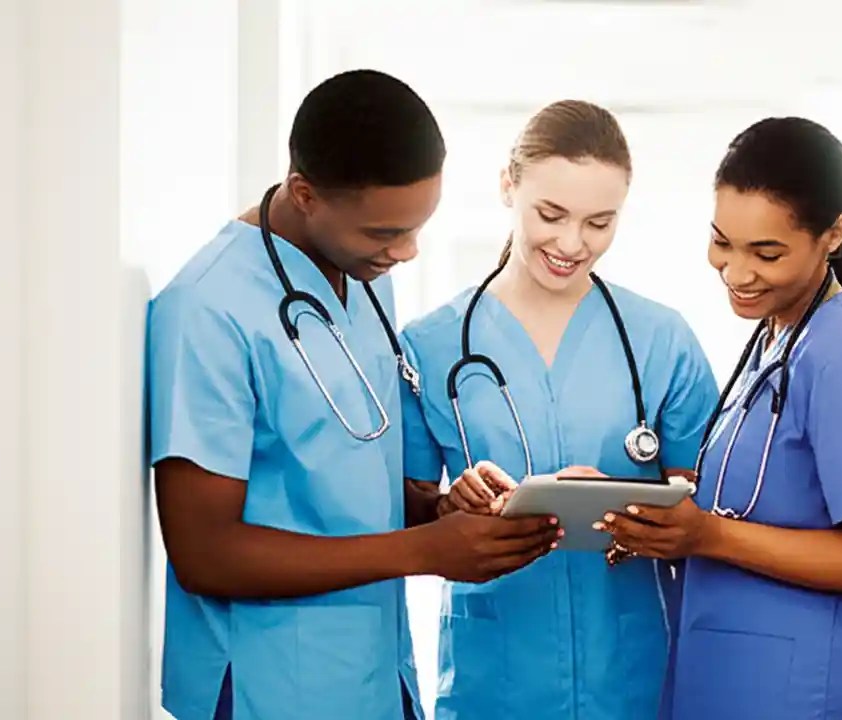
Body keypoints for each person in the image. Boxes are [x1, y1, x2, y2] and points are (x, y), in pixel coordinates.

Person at [146, 69, 561, 720]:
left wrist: (438, 508)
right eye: (384, 234)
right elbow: (205, 553)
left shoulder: (362, 274)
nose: (407, 251)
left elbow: (336, 474)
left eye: (416, 227)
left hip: (374, 675)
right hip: (268, 685)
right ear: (305, 194)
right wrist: (426, 552)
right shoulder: (208, 308)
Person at [397, 100, 720, 719]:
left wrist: (635, 506)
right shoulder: (432, 345)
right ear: (506, 186)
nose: (573, 243)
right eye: (551, 214)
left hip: (634, 676)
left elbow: (709, 500)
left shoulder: (659, 339)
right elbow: (407, 513)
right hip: (495, 678)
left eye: (600, 222)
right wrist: (450, 505)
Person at [599, 117, 842, 719]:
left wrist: (708, 535)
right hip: (744, 687)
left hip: (815, 697)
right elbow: (753, 509)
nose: (737, 272)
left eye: (766, 252)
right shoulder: (777, 339)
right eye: (723, 242)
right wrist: (650, 516)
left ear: (833, 234)